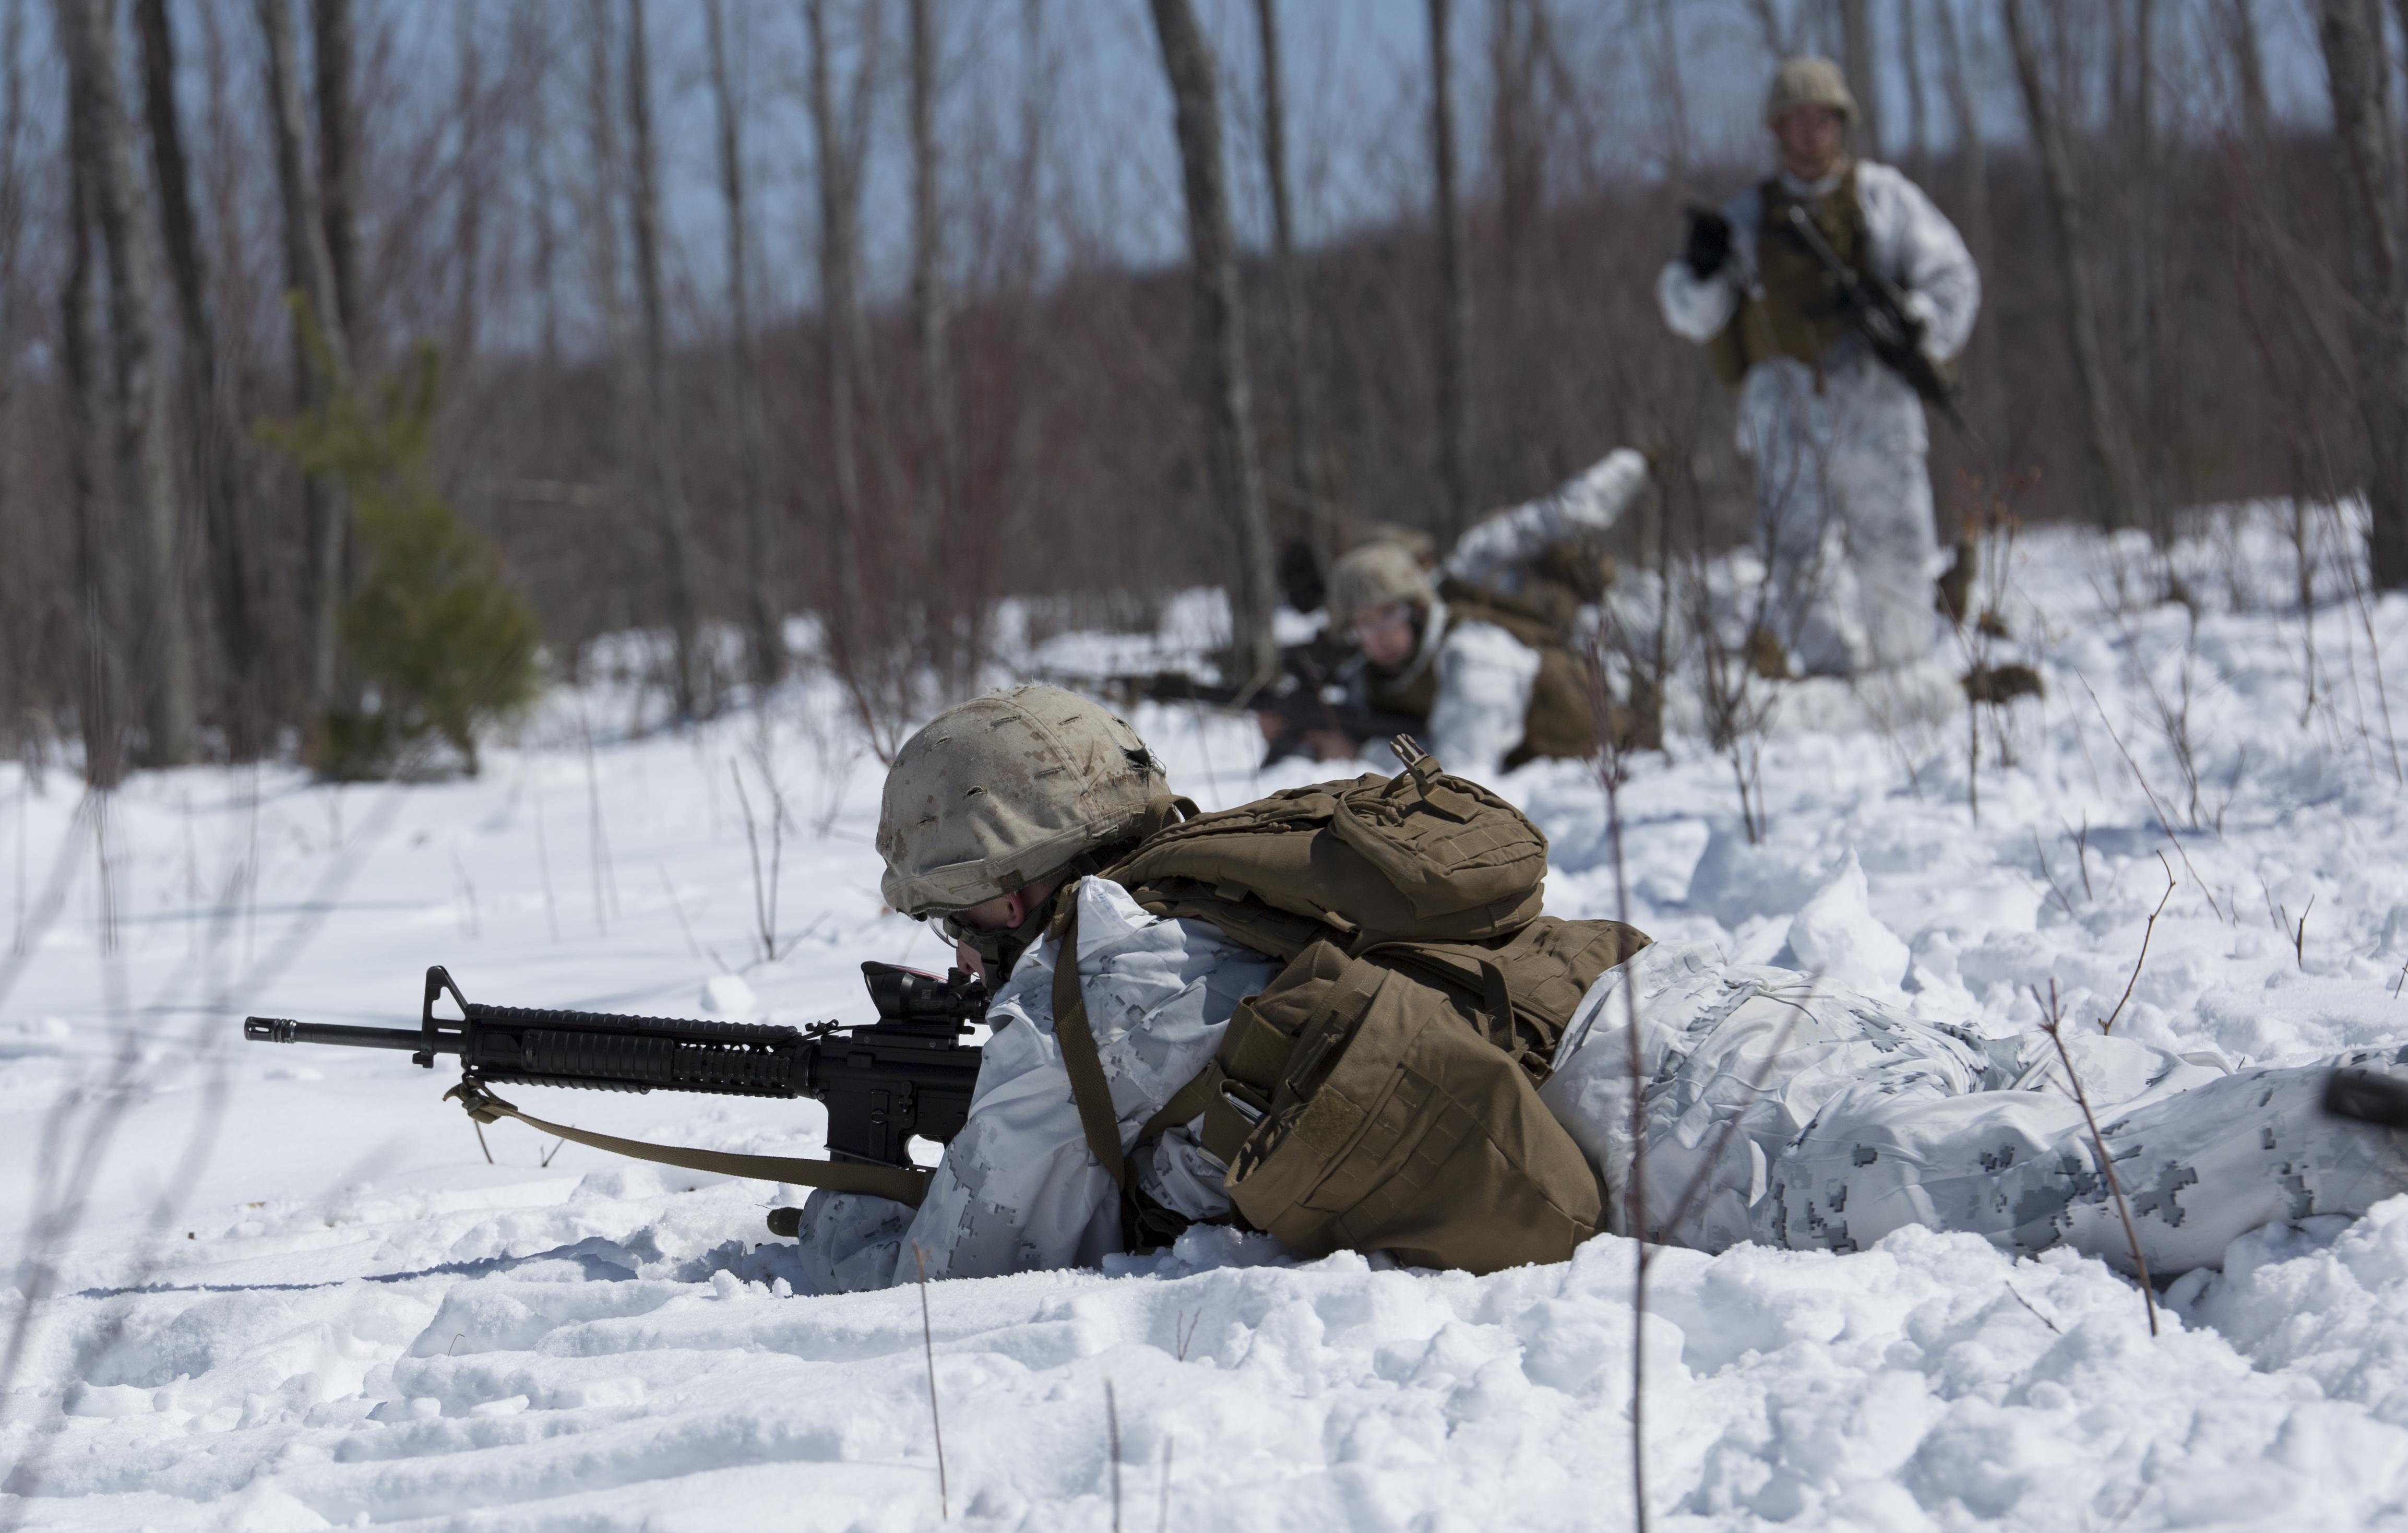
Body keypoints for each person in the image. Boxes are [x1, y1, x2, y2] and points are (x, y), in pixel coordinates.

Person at [793, 685, 2408, 1292]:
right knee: (2066, 1100)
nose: (955, 958)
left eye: (952, 922)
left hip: (1673, 1123)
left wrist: (860, 1182)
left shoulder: (1083, 979)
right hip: (1671, 1003)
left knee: (2087, 1196)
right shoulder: (1227, 860)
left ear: (1003, 886)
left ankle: (2358, 1129)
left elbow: (957, 1289)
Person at [1658, 56, 1980, 678]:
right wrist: (1698, 269)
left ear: (1842, 124)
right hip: (1786, 402)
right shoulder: (1748, 218)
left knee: (1895, 541)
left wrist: (1914, 322)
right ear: (1776, 128)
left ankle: (1906, 669)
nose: (1811, 133)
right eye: (1797, 120)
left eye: (1824, 119)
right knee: (1795, 554)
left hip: (1875, 395)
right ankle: (1825, 673)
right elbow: (1692, 315)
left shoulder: (1884, 199)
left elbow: (1954, 279)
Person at [1272, 447, 1650, 781]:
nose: (1376, 635)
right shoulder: (1370, 673)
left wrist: (1357, 753)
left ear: (1417, 610)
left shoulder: (1475, 653)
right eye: (1362, 625)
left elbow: (1460, 772)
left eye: (1387, 616)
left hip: (1618, 760)